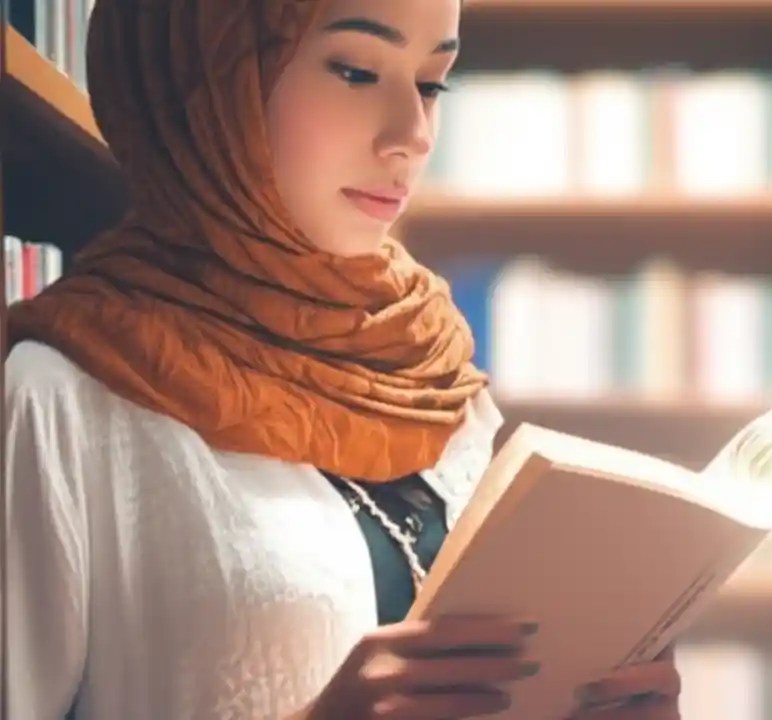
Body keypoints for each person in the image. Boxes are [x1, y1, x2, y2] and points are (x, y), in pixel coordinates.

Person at [3, 0, 682, 718]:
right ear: (206, 81)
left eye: (431, 84)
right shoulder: (58, 397)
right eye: (356, 71)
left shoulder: (432, 376)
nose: (412, 136)